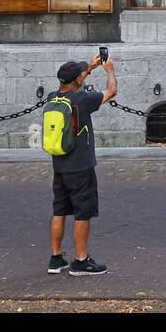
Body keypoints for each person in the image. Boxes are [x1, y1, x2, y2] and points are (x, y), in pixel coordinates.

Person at [47, 54, 115, 277]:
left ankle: (55, 259)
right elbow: (111, 92)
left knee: (59, 210)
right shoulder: (83, 100)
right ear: (77, 80)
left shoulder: (52, 98)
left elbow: (74, 82)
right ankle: (81, 261)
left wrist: (90, 67)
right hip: (81, 166)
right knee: (82, 213)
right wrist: (109, 70)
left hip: (60, 165)